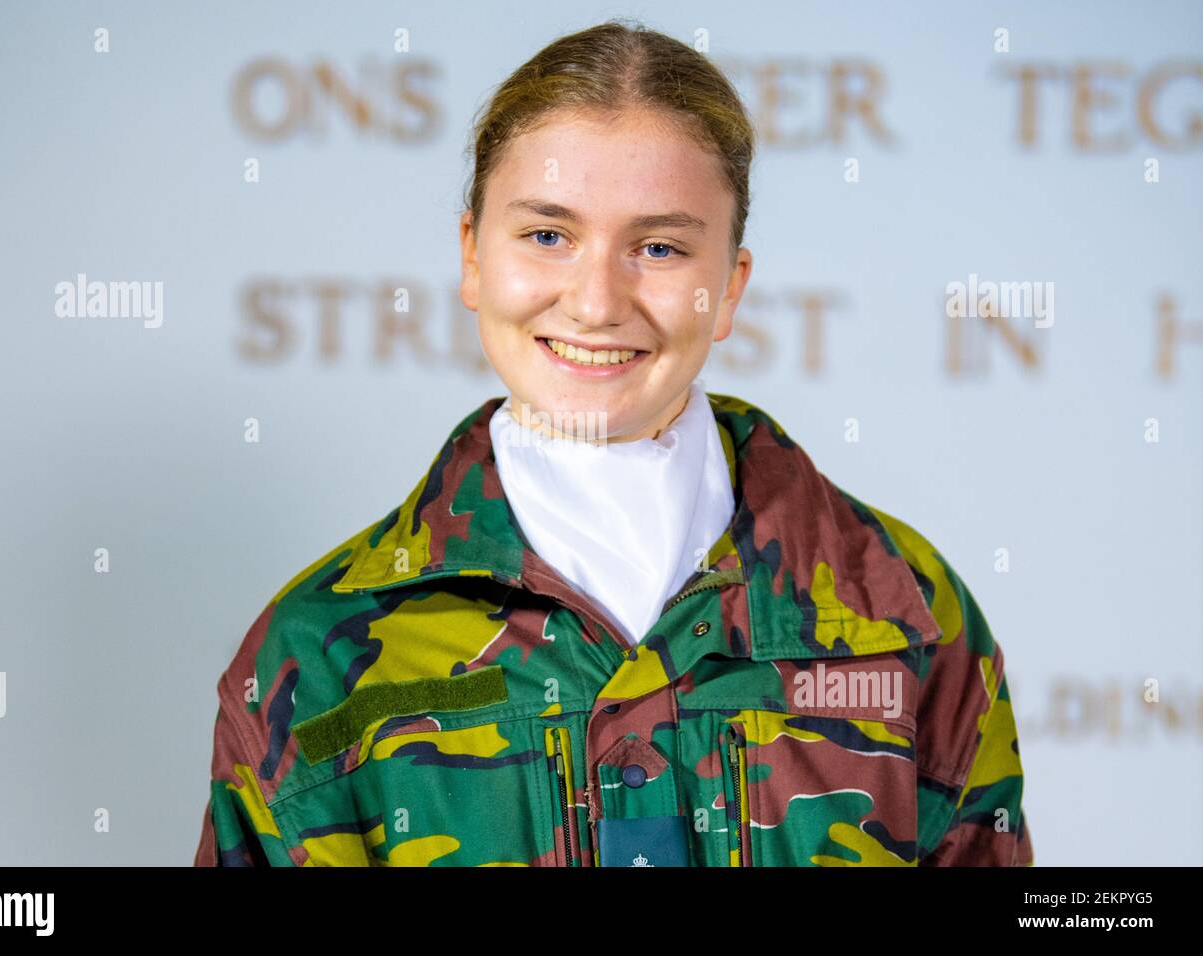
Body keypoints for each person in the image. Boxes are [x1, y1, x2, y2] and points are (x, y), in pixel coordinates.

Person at [194, 18, 1032, 867]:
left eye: (659, 247)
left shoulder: (908, 615)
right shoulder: (313, 657)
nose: (596, 302)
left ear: (729, 287)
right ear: (473, 258)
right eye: (547, 236)